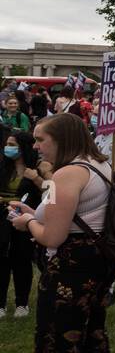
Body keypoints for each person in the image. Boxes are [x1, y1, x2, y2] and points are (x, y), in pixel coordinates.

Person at [0, 114, 115, 353]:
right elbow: (76, 217)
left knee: (57, 352)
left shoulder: (69, 174)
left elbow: (51, 236)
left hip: (70, 272)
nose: (35, 145)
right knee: (92, 342)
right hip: (98, 267)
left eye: (40, 139)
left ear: (62, 139)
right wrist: (36, 212)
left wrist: (26, 224)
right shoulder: (100, 165)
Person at [0, 130, 46, 320]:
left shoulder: (37, 167)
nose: (8, 148)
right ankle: (0, 304)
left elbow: (51, 193)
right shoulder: (3, 166)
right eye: (7, 144)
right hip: (2, 218)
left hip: (25, 220)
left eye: (13, 145)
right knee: (2, 261)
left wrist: (36, 179)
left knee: (22, 261)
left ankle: (22, 303)